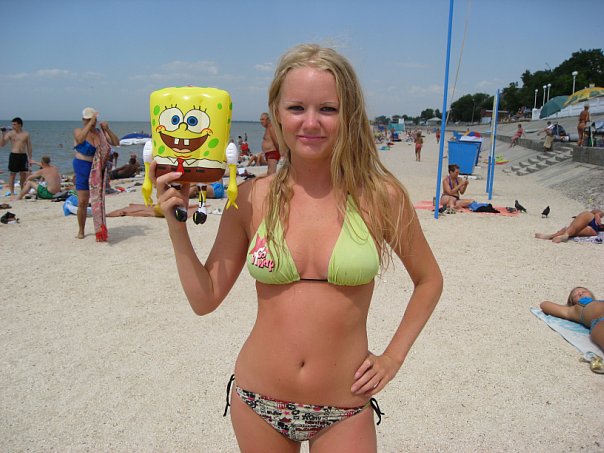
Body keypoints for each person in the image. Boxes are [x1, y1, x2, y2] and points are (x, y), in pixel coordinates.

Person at [152, 44, 443, 451]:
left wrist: (393, 358)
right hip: (258, 400)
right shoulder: (250, 198)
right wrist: (176, 225)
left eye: (327, 109)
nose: (311, 122)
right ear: (276, 113)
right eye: (296, 108)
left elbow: (429, 280)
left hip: (344, 407)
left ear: (349, 114)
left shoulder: (380, 197)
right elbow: (205, 299)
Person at [72, 107, 119, 240]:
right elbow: (80, 139)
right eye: (87, 120)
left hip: (97, 169)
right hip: (82, 166)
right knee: (83, 201)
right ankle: (81, 230)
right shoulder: (78, 131)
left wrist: (107, 129)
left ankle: (99, 230)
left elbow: (116, 142)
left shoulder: (100, 133)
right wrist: (89, 124)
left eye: (92, 119)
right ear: (83, 120)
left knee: (97, 201)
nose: (91, 122)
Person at [540, 287, 604, 372]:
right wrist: (567, 307)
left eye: (584, 291)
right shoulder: (573, 310)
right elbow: (544, 304)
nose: (580, 293)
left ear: (591, 294)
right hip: (600, 322)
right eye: (575, 295)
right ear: (572, 302)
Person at [0, 117, 33, 196]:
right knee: (12, 174)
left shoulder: (26, 134)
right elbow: (2, 144)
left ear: (19, 125)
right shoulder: (10, 133)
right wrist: (2, 133)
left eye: (14, 124)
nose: (12, 126)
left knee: (23, 174)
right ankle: (12, 193)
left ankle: (22, 191)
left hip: (23, 155)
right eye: (12, 124)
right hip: (14, 155)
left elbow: (29, 146)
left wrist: (30, 158)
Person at [535, 209, 603, 243]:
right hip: (592, 230)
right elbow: (598, 212)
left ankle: (551, 236)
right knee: (572, 229)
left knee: (586, 214)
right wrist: (598, 214)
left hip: (594, 227)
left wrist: (597, 214)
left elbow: (596, 212)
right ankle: (558, 236)